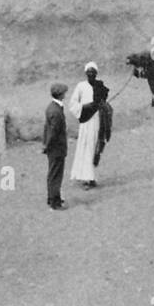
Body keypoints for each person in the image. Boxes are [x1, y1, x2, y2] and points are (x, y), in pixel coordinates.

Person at [68, 61, 110, 190]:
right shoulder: (81, 86)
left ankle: (90, 177)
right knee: (85, 148)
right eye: (89, 72)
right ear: (86, 73)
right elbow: (73, 104)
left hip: (97, 120)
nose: (91, 74)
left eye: (93, 72)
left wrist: (101, 105)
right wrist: (85, 107)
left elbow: (104, 99)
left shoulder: (100, 85)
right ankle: (86, 178)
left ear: (96, 74)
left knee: (94, 148)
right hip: (86, 121)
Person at [42, 81, 69, 210]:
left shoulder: (51, 107)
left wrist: (45, 144)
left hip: (53, 148)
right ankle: (54, 202)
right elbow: (53, 132)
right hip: (56, 148)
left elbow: (47, 129)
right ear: (61, 94)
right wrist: (48, 145)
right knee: (56, 175)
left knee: (53, 173)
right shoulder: (56, 111)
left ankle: (53, 197)